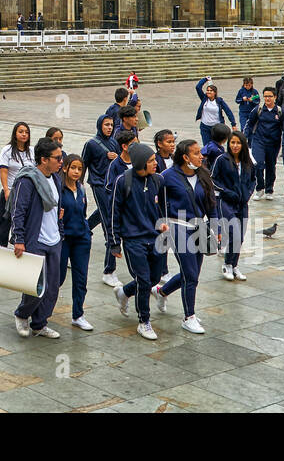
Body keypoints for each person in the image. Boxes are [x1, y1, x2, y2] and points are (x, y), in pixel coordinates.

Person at [152, 139, 214, 334]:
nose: (201, 156)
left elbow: (211, 204)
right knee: (190, 275)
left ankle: (161, 291)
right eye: (196, 153)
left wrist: (217, 227)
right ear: (185, 157)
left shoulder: (203, 174)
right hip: (176, 226)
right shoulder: (167, 177)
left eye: (200, 153)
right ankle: (189, 317)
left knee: (192, 272)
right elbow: (156, 203)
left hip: (199, 227)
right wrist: (161, 224)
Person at [108, 142, 170, 340]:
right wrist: (114, 242)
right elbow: (113, 213)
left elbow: (163, 208)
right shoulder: (122, 181)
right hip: (134, 239)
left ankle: (124, 292)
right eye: (151, 161)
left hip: (157, 238)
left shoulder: (158, 180)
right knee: (143, 281)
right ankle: (144, 321)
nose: (155, 164)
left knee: (153, 279)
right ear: (141, 163)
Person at [10, 137, 64, 339]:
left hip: (54, 240)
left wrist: (60, 230)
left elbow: (58, 209)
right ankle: (22, 314)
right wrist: (19, 239)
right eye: (57, 158)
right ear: (43, 159)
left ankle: (40, 323)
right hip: (36, 240)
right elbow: (18, 211)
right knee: (36, 287)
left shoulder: (56, 179)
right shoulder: (28, 180)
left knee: (52, 287)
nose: (61, 162)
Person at [81, 115, 120, 288]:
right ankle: (109, 270)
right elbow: (82, 165)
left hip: (111, 185)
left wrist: (116, 157)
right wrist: (78, 186)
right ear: (99, 126)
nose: (109, 128)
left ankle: (82, 230)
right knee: (109, 225)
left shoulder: (113, 142)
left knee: (103, 214)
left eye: (111, 125)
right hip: (98, 185)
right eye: (106, 125)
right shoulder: (91, 144)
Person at [56, 153, 94, 330]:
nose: (77, 171)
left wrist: (86, 231)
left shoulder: (81, 189)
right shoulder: (59, 189)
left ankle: (78, 314)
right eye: (73, 168)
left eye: (80, 168)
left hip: (81, 238)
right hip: (64, 239)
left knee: (81, 278)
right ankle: (41, 308)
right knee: (59, 277)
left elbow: (83, 213)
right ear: (65, 168)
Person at [212, 129, 255, 281]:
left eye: (238, 143)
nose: (235, 146)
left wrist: (248, 193)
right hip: (226, 203)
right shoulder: (222, 160)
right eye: (232, 143)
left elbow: (253, 180)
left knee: (240, 237)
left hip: (242, 204)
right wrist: (227, 192)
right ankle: (227, 265)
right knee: (234, 234)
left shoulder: (247, 161)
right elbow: (213, 180)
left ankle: (234, 265)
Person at [0, 123, 34, 248]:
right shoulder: (7, 150)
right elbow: (3, 171)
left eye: (26, 132)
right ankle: (1, 248)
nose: (24, 134)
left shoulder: (32, 151)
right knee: (5, 223)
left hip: (27, 193)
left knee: (23, 222)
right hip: (11, 191)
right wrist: (6, 189)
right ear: (15, 133)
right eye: (21, 131)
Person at [244, 87, 282, 201]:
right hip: (259, 141)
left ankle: (269, 189)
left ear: (275, 97)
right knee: (258, 164)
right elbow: (249, 124)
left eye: (270, 96)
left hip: (274, 143)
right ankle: (260, 187)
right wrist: (246, 138)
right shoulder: (258, 110)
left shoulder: (280, 111)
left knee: (271, 166)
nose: (267, 98)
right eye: (265, 96)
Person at [194, 76, 235, 142]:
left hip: (217, 128)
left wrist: (233, 124)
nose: (209, 92)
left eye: (211, 91)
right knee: (207, 147)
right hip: (205, 127)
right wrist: (205, 79)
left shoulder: (219, 101)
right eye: (207, 90)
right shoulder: (204, 99)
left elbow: (228, 112)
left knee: (216, 146)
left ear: (215, 92)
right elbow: (198, 87)